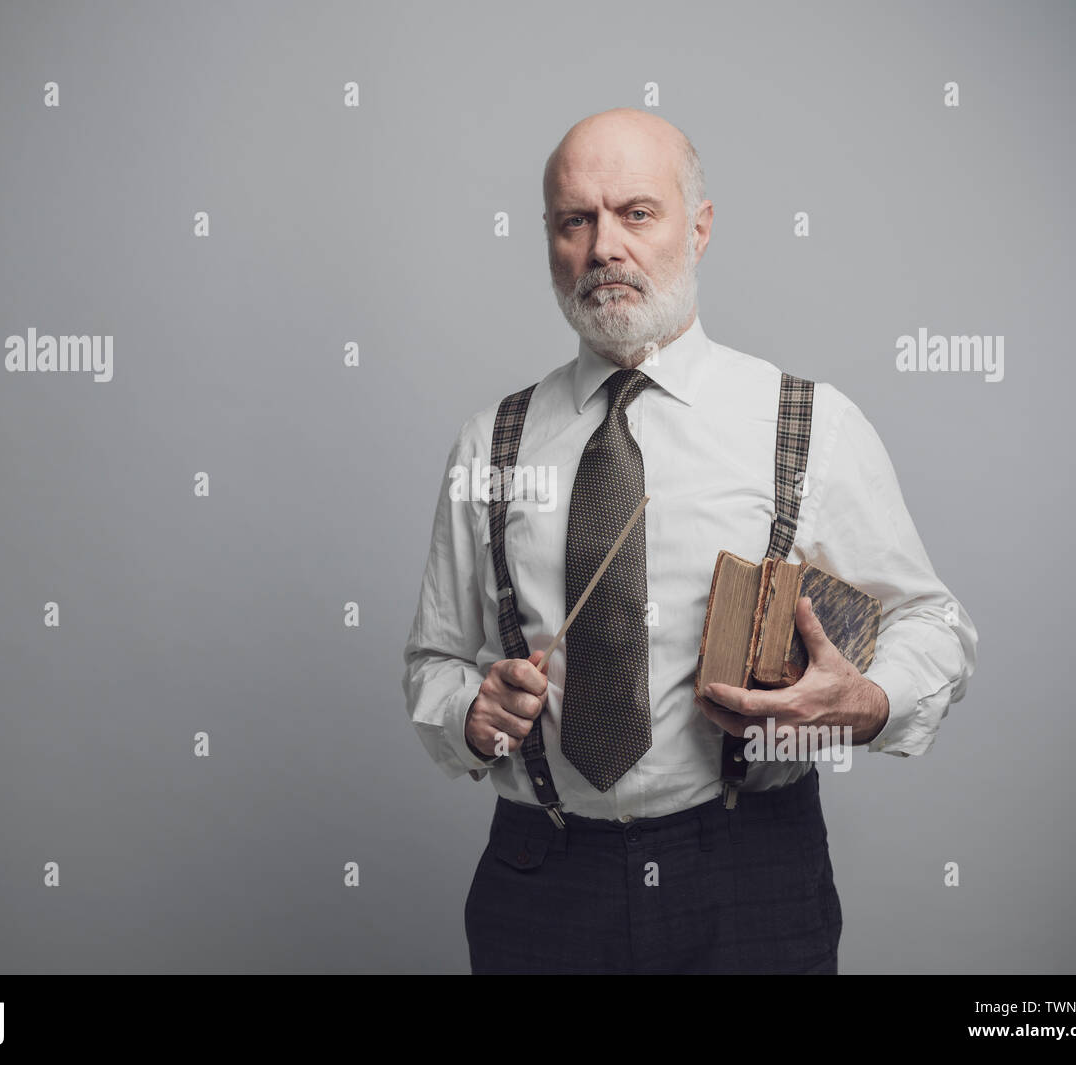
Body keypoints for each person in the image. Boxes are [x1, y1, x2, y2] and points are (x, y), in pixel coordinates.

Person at [401, 107, 977, 974]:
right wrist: (470, 714)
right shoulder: (493, 442)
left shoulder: (810, 423)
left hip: (751, 876)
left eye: (637, 213)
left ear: (698, 228)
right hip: (542, 881)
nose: (603, 248)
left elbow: (933, 624)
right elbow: (434, 660)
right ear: (551, 240)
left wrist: (865, 703)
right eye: (575, 221)